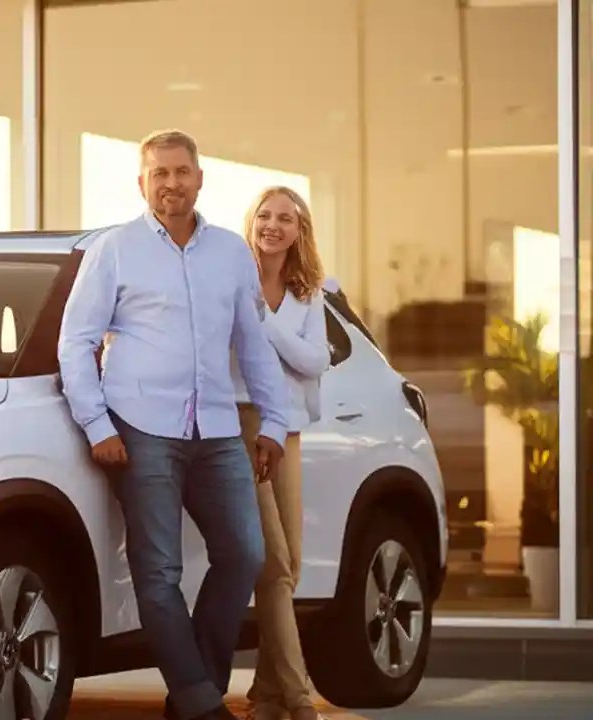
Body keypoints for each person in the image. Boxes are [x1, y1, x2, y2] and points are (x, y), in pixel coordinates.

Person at [57, 129, 292, 720]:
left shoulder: (230, 253)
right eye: (159, 173)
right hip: (140, 429)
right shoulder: (114, 249)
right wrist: (97, 425)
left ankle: (195, 692)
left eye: (181, 171)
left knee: (244, 553)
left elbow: (253, 344)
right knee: (157, 571)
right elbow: (75, 342)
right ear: (142, 183)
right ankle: (200, 703)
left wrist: (273, 421)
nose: (171, 184)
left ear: (200, 178)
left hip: (215, 429)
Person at [231, 187, 330, 720]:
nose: (273, 226)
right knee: (274, 566)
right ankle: (297, 696)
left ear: (299, 231)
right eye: (264, 216)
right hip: (245, 424)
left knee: (287, 564)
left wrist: (266, 326)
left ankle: (265, 697)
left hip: (288, 430)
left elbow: (315, 361)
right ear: (252, 224)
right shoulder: (232, 278)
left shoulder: (307, 293)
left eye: (285, 219)